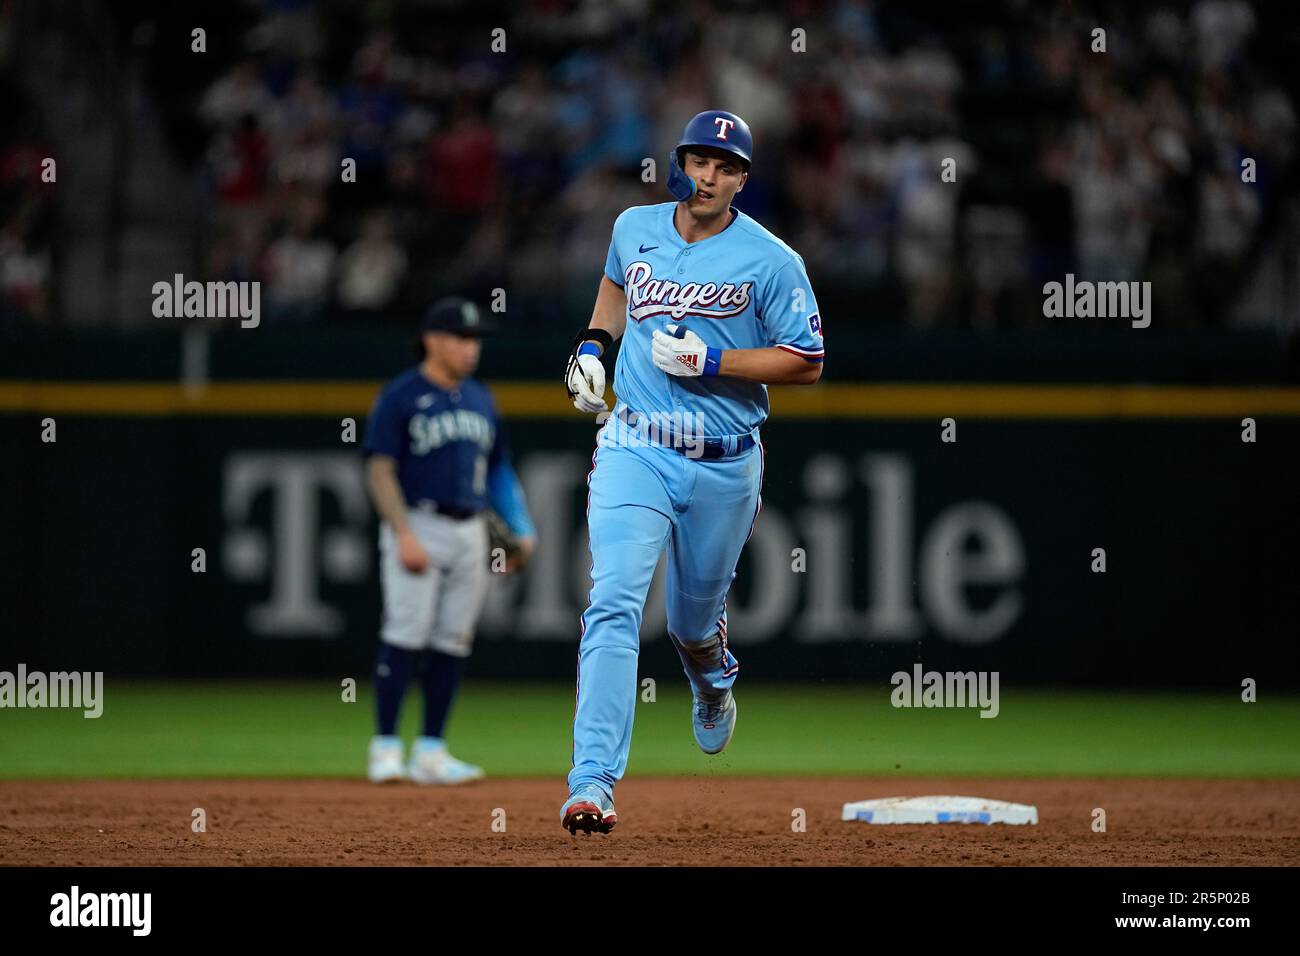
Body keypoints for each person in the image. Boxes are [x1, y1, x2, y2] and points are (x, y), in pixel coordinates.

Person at [560, 110, 825, 834]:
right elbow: (615, 290)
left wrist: (716, 362)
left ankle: (712, 679)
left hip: (723, 463)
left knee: (689, 623)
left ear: (743, 177)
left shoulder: (772, 260)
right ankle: (592, 785)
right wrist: (592, 346)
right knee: (613, 601)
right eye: (699, 160)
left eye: (726, 165)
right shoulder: (633, 227)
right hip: (636, 446)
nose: (709, 176)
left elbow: (806, 361)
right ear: (680, 162)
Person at [363, 296, 535, 784]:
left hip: (469, 530)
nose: (471, 348)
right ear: (432, 339)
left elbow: (498, 468)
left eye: (476, 339)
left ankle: (432, 752)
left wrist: (521, 526)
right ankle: (386, 748)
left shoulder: (481, 398)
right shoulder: (400, 395)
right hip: (418, 522)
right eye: (462, 337)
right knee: (404, 633)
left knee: (453, 641)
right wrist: (402, 533)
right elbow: (379, 469)